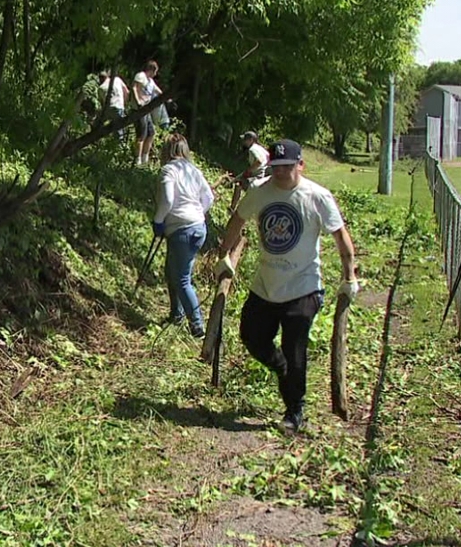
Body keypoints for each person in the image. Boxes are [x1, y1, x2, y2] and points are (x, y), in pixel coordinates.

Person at [214, 139, 359, 433]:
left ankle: (294, 411)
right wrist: (224, 256)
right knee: (251, 337)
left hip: (303, 288)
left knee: (296, 352)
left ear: (300, 165)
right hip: (265, 286)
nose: (281, 173)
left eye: (287, 167)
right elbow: (237, 221)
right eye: (276, 167)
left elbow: (340, 236)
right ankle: (282, 369)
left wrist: (349, 277)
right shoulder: (260, 193)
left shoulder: (317, 196)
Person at [153, 134, 215, 337]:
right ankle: (176, 314)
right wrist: (197, 214)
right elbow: (208, 198)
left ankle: (197, 326)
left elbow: (168, 200)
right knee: (172, 271)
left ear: (166, 151)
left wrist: (159, 220)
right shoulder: (193, 170)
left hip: (181, 230)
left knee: (181, 279)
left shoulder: (168, 170)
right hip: (198, 227)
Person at [132, 60, 161, 166]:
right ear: (152, 70)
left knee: (151, 133)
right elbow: (134, 88)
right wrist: (138, 101)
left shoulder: (151, 81)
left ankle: (145, 157)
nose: (156, 74)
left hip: (147, 110)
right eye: (155, 71)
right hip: (139, 109)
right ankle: (138, 160)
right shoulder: (141, 76)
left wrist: (168, 99)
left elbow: (158, 91)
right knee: (141, 135)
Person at [98, 70, 130, 143]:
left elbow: (103, 104)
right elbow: (127, 92)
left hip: (109, 109)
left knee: (98, 122)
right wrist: (124, 104)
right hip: (119, 107)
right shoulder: (117, 79)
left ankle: (96, 137)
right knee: (119, 129)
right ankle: (119, 145)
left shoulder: (101, 88)